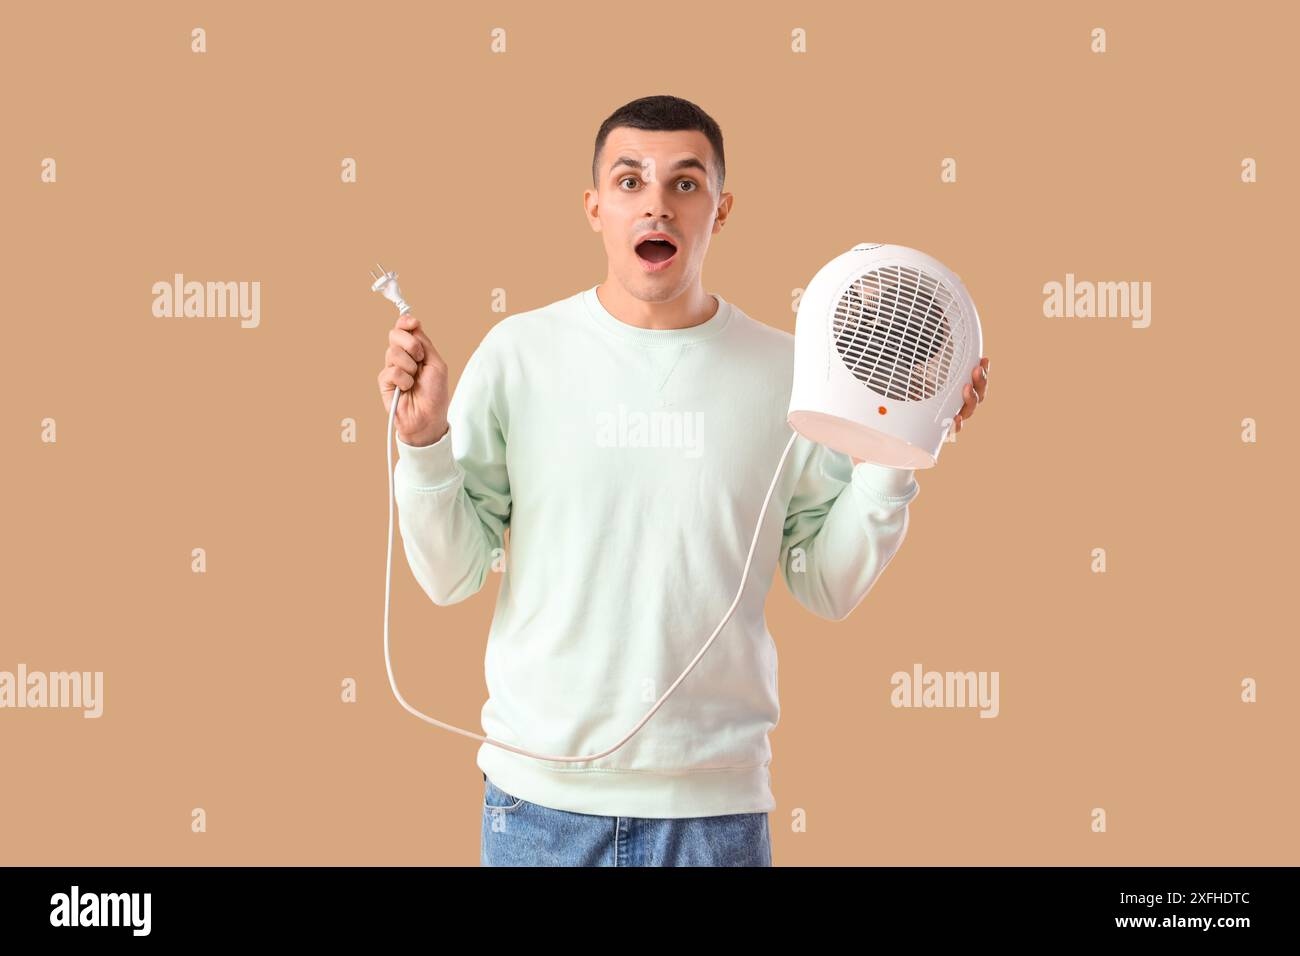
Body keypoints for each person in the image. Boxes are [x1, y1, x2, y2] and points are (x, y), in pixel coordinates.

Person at [376, 95, 990, 867]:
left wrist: (896, 451)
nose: (657, 204)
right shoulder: (518, 354)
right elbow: (451, 575)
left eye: (686, 184)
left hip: (714, 817)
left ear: (720, 210)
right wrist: (424, 444)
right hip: (537, 811)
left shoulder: (792, 375)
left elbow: (825, 585)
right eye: (630, 181)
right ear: (594, 208)